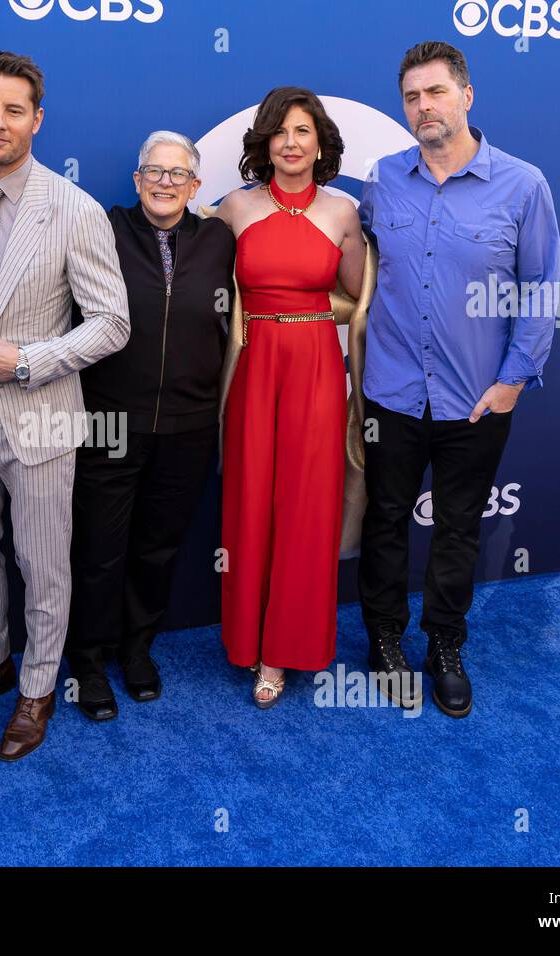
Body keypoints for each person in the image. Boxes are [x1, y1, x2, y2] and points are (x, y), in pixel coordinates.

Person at [0, 51, 129, 760]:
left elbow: (112, 322)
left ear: (38, 119)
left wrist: (31, 361)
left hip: (39, 409)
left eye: (14, 110)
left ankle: (39, 687)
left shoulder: (74, 208)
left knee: (44, 563)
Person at [357, 41, 559, 718]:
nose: (423, 107)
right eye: (412, 96)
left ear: (466, 97)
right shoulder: (383, 179)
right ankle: (383, 640)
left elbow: (542, 290)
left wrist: (512, 381)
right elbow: (354, 264)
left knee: (457, 528)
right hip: (389, 393)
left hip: (477, 399)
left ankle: (444, 644)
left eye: (436, 92)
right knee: (383, 521)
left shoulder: (523, 185)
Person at [66, 131, 234, 720]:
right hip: (109, 418)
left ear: (196, 186)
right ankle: (87, 661)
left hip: (189, 424)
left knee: (158, 547)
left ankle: (137, 650)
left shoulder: (219, 238)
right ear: (136, 181)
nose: (164, 182)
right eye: (152, 172)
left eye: (177, 174)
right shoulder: (103, 230)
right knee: (99, 548)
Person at [214, 86, 368, 707]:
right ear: (265, 143)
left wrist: (307, 314)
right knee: (251, 501)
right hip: (252, 367)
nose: (291, 143)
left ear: (320, 142)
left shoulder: (343, 213)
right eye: (280, 132)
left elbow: (359, 301)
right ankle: (248, 639)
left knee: (308, 504)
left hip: (316, 369)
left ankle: (283, 651)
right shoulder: (234, 209)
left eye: (303, 131)